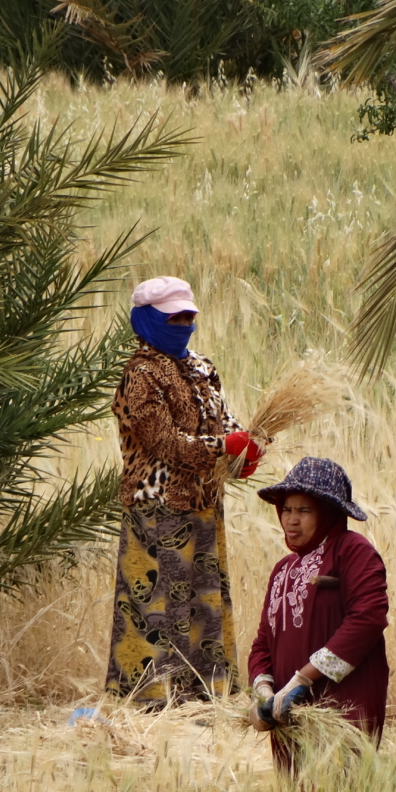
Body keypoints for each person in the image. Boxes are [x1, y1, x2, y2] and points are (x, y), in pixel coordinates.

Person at [106, 276, 262, 706]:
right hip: (155, 506)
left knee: (201, 596)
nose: (183, 324)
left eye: (188, 316)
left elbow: (224, 421)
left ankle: (204, 693)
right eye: (173, 317)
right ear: (147, 320)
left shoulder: (201, 367)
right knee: (154, 600)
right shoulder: (139, 375)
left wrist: (242, 451)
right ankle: (151, 695)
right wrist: (221, 448)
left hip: (202, 502)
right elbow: (163, 442)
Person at [247, 457, 389, 770]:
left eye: (304, 510)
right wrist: (265, 693)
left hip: (341, 708)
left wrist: (303, 678)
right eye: (286, 509)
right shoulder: (282, 570)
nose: (291, 521)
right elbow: (263, 642)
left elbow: (369, 617)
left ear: (327, 513)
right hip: (290, 716)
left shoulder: (353, 550)